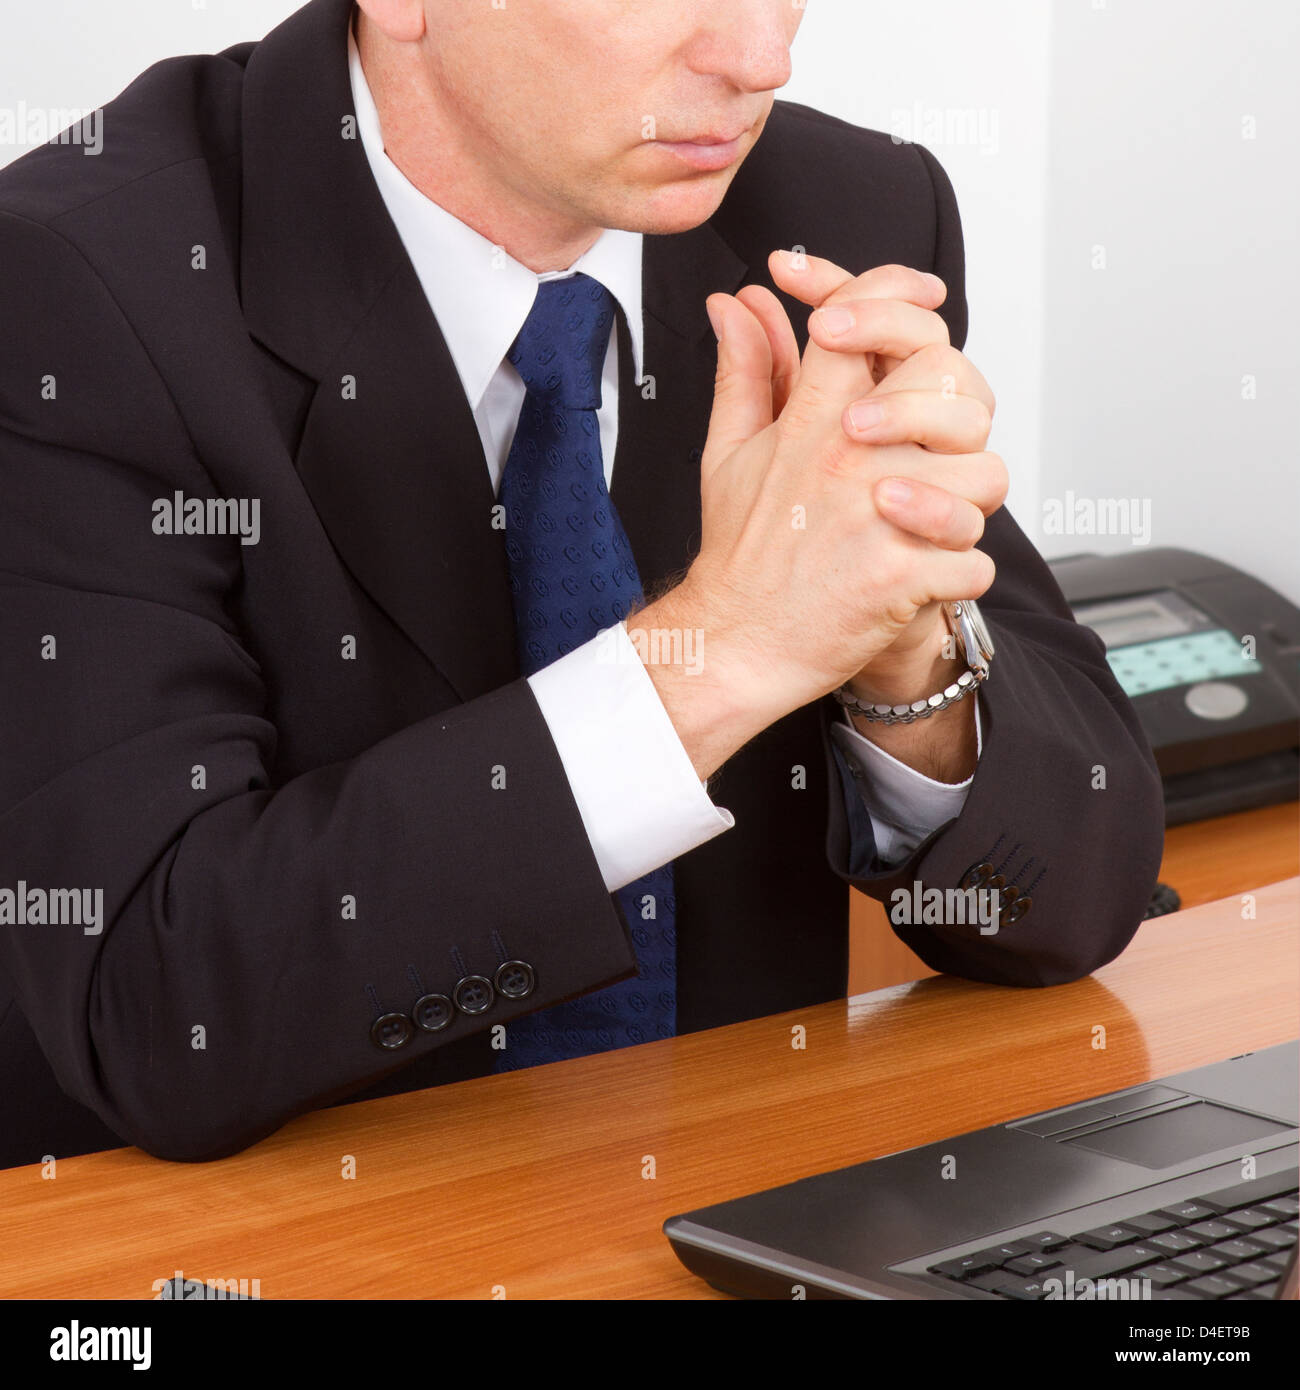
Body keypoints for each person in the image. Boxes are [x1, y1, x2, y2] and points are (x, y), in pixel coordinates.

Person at [0, 0, 1164, 1166]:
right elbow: (155, 1012)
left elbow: (1078, 890)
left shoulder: (844, 206)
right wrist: (725, 650)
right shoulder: (68, 282)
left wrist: (899, 654)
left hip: (723, 1221)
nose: (759, 56)